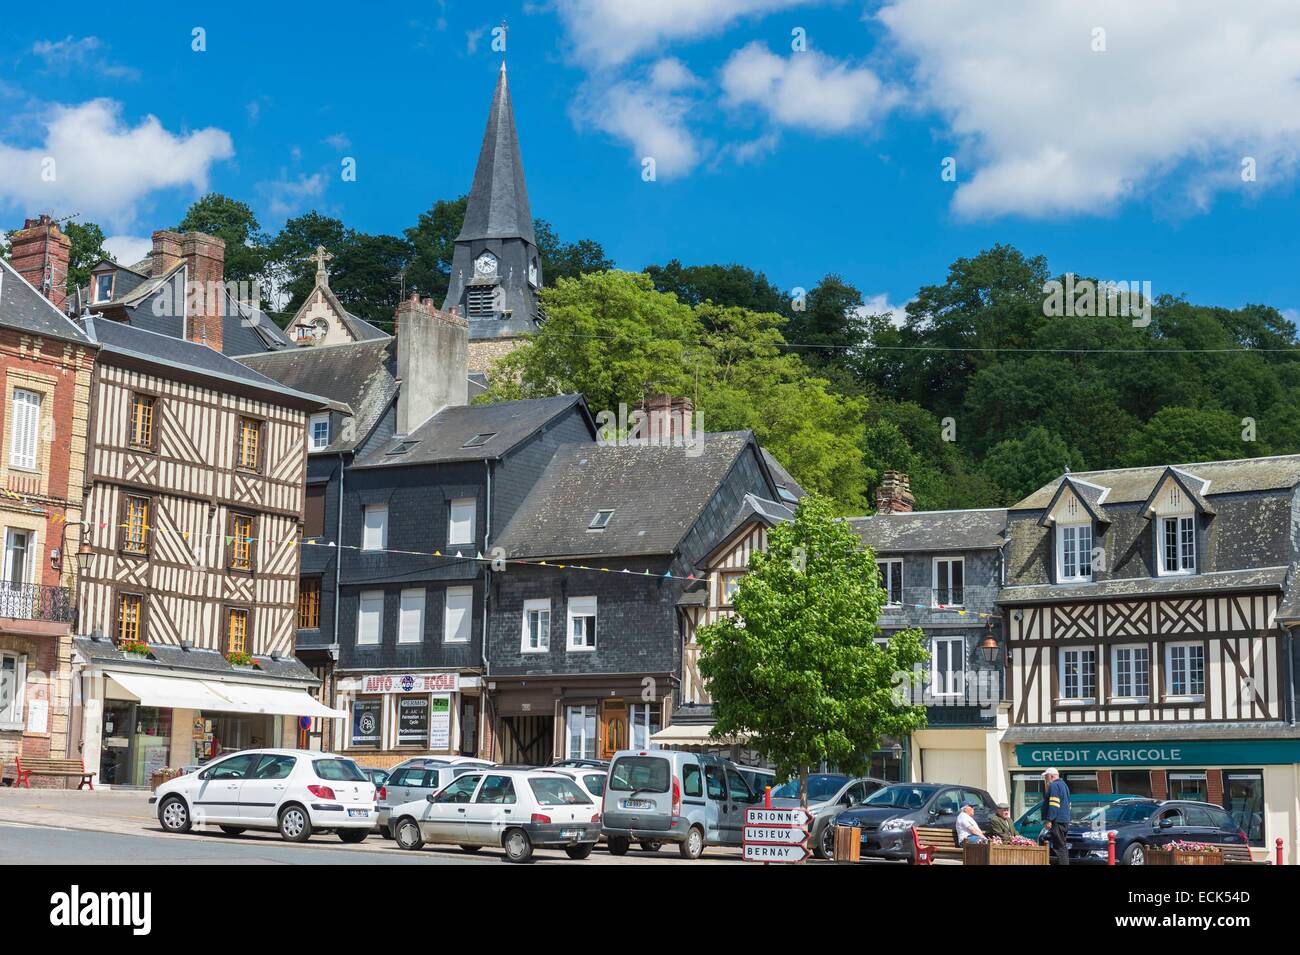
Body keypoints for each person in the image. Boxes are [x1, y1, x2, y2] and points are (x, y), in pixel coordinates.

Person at [1042, 768, 1071, 865]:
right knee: (1062, 847)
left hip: (1057, 821)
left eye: (1046, 777)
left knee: (1059, 848)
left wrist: (1049, 819)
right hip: (1064, 820)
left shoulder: (1054, 785)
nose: (1046, 779)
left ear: (1051, 776)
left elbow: (1054, 804)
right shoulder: (1064, 785)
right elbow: (1067, 804)